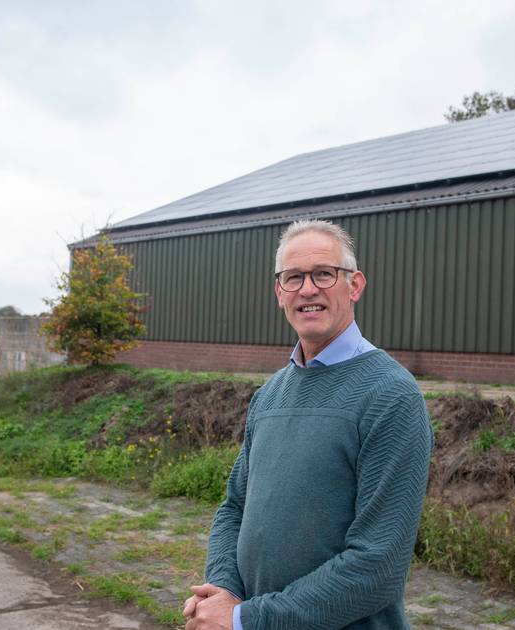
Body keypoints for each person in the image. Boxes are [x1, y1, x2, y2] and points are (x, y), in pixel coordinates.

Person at [183, 220, 433, 630]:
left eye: (323, 274)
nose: (308, 289)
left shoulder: (391, 396)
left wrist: (247, 619)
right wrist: (224, 592)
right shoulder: (269, 394)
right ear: (279, 292)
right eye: (293, 277)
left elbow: (377, 567)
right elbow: (234, 508)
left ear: (354, 286)